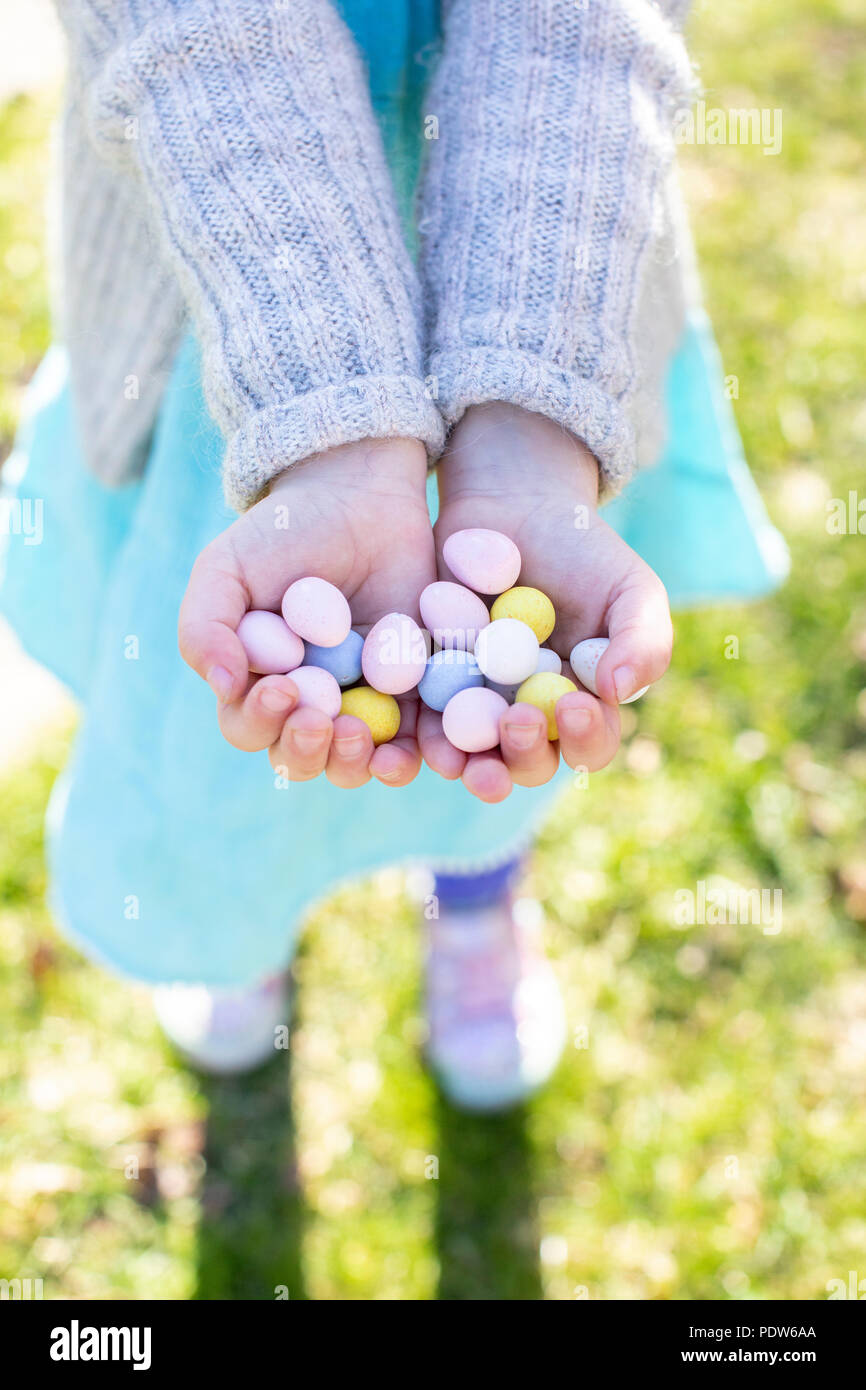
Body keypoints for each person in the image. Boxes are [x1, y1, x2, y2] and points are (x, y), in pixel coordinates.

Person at [0, 0, 786, 1109]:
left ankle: (473, 902)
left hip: (555, 288)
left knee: (500, 719)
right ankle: (246, 922)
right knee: (243, 691)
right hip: (233, 281)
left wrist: (526, 406)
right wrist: (330, 420)